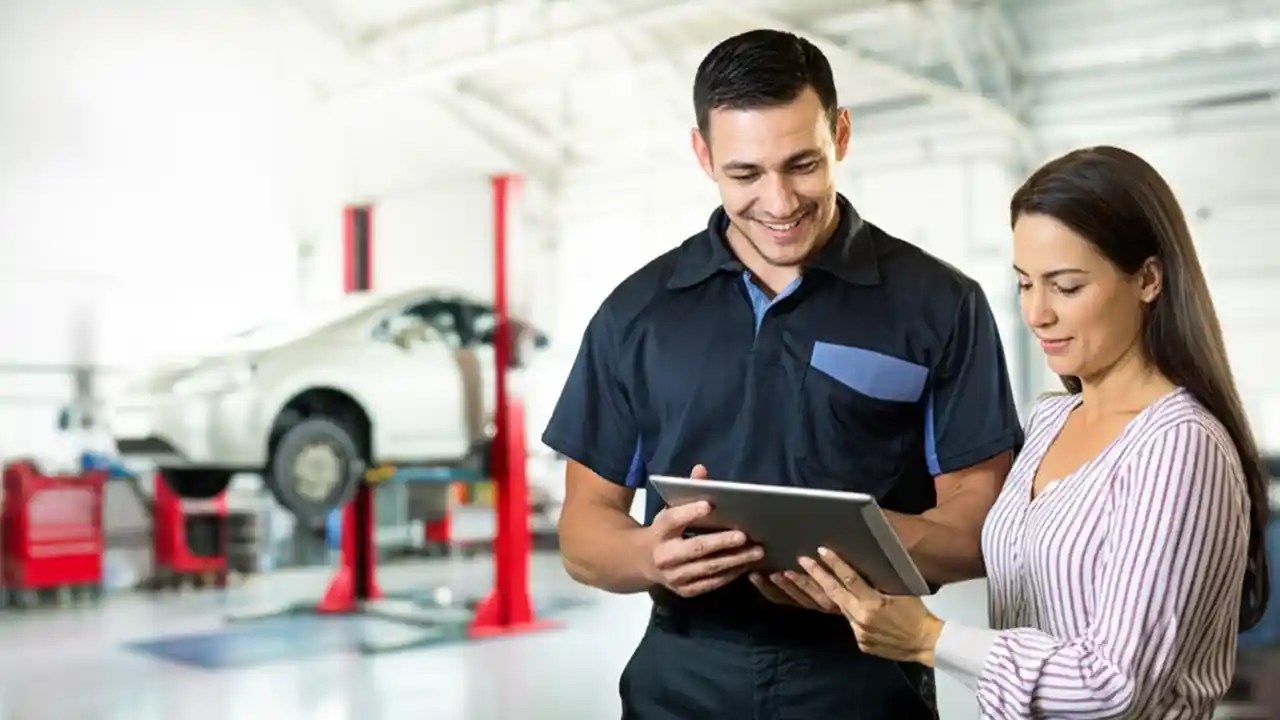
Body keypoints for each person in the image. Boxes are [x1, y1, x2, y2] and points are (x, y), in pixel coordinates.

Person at [543, 28, 1024, 719]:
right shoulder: (636, 314)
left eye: (803, 164)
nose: (779, 202)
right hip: (684, 673)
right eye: (745, 174)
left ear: (842, 134)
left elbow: (982, 528)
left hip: (864, 671)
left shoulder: (941, 305)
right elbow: (584, 530)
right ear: (703, 154)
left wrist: (851, 546)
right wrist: (650, 557)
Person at [794, 145, 1271, 718]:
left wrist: (928, 639)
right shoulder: (1050, 420)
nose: (1036, 313)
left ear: (1148, 279)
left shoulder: (1178, 446)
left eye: (1066, 287)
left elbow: (1111, 687)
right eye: (1025, 284)